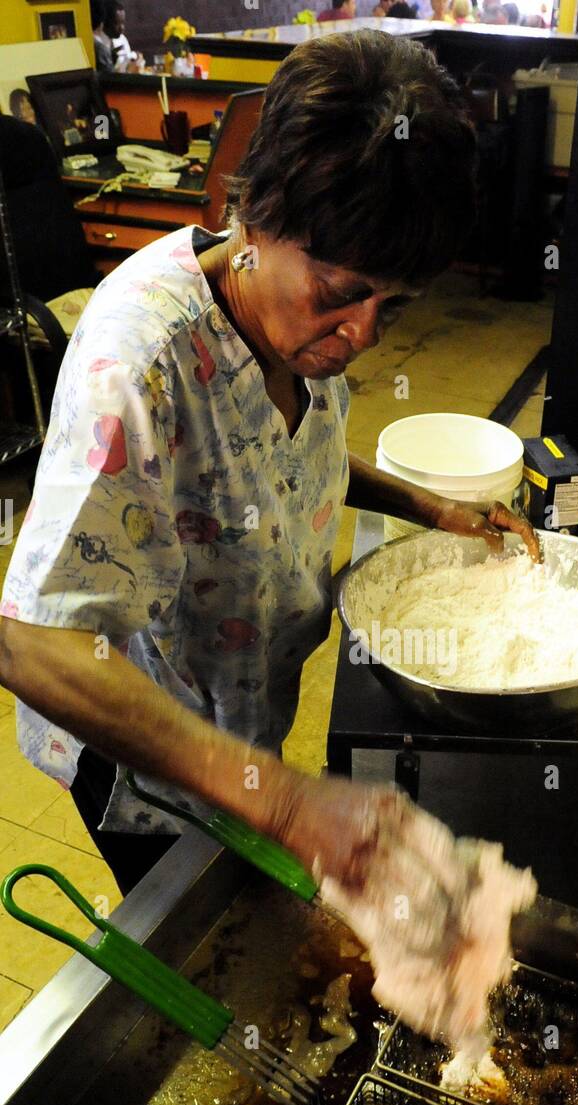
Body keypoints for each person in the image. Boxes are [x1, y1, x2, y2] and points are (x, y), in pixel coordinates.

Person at [0, 31, 538, 898]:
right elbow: (31, 642)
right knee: (200, 932)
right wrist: (286, 806)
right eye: (339, 295)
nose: (362, 334)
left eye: (391, 305)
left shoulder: (290, 323)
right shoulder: (140, 366)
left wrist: (427, 506)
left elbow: (275, 455)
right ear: (252, 217)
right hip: (149, 761)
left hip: (242, 711)